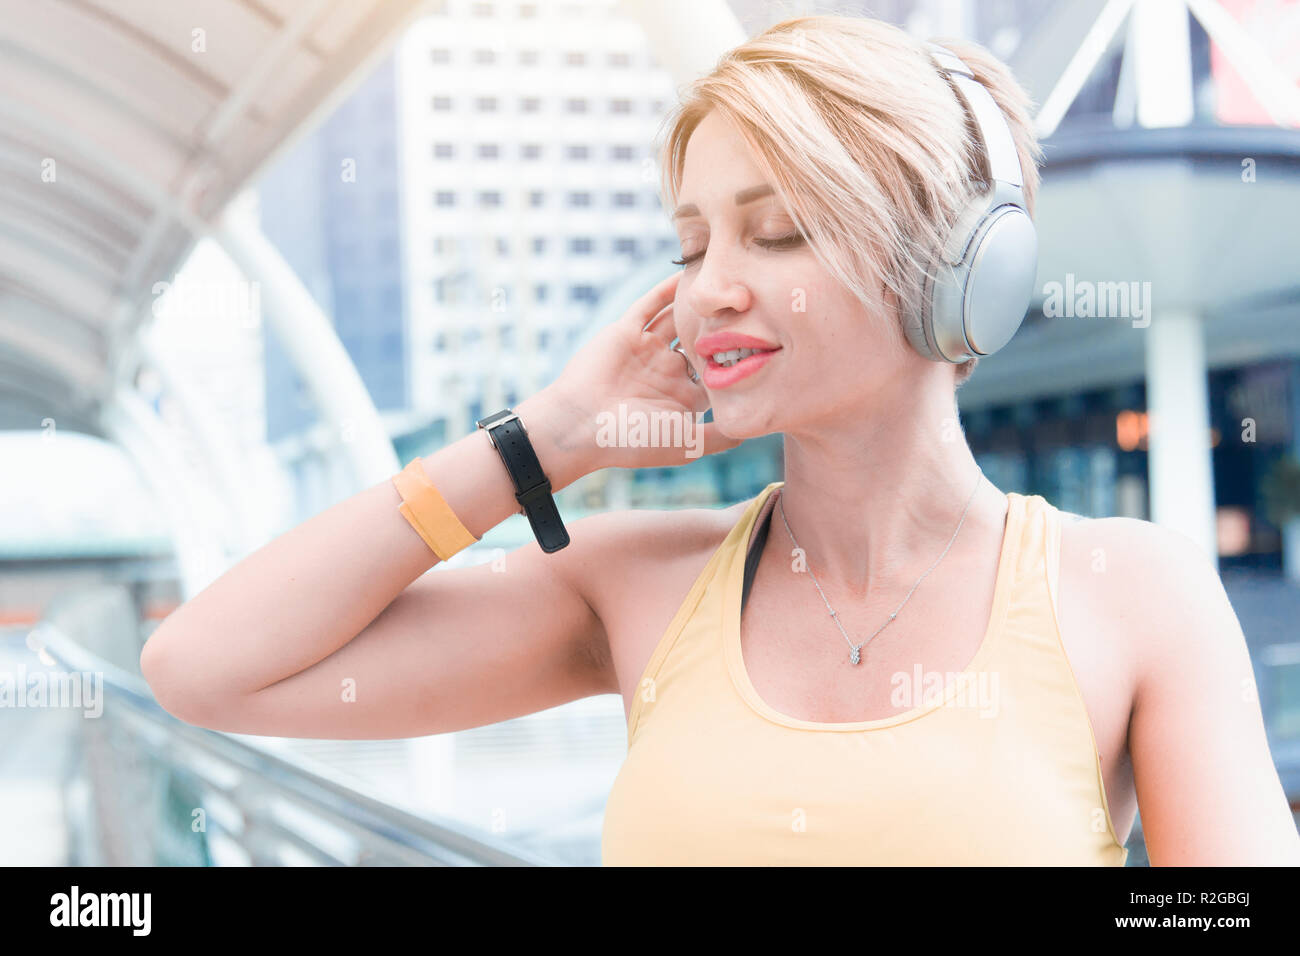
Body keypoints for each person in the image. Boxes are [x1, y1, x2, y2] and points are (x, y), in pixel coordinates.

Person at [140, 14, 1300, 866]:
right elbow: (204, 667)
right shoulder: (638, 586)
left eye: (778, 231)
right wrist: (543, 441)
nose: (709, 293)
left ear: (957, 271)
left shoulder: (1130, 591)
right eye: (692, 247)